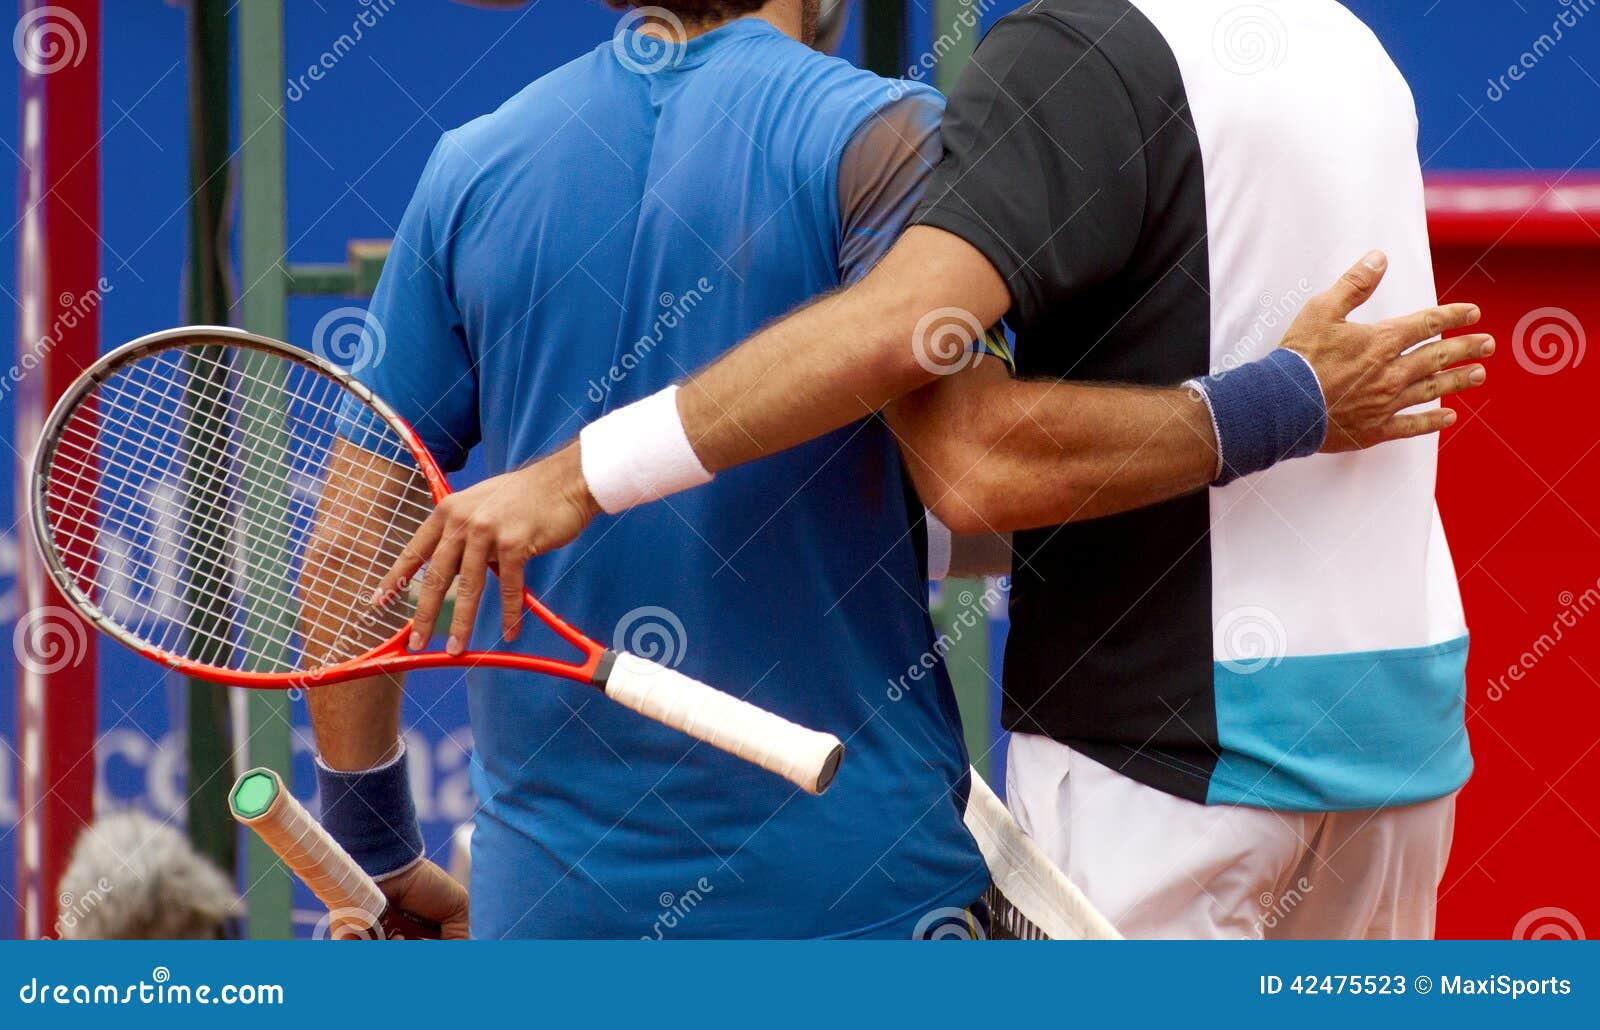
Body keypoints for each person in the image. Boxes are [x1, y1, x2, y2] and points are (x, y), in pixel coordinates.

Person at [349, 1, 1487, 938]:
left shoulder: (470, 168)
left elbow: (353, 561)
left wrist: (380, 859)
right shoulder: (1343, 47)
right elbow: (977, 487)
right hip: (1366, 743)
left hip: (555, 904)